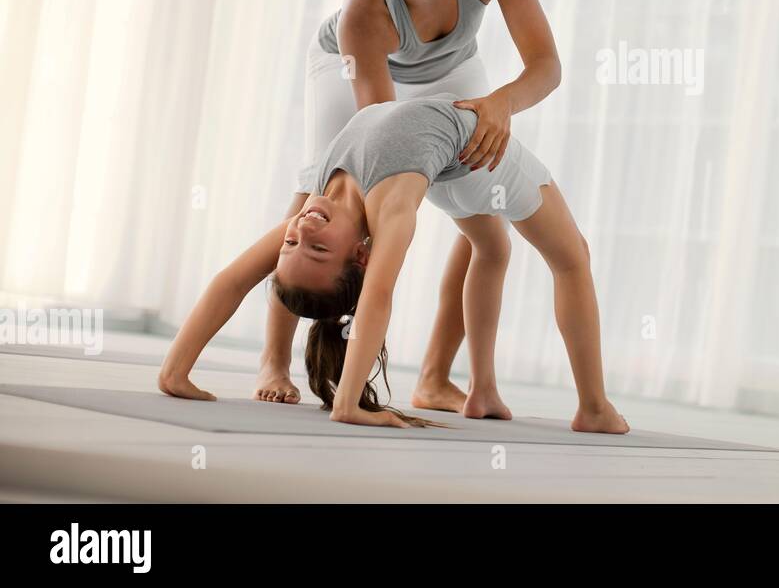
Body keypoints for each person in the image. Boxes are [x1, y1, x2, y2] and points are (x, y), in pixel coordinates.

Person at [257, 0, 561, 412]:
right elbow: (380, 134)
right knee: (319, 197)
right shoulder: (363, 11)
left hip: (452, 67)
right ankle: (275, 357)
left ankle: (442, 378)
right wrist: (384, 226)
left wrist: (499, 103)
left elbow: (546, 67)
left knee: (487, 228)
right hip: (353, 67)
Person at [159, 92, 629, 433]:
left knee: (491, 248)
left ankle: (482, 391)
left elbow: (233, 278)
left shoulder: (318, 198)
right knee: (572, 258)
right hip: (479, 156)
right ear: (362, 254)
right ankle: (594, 407)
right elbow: (377, 296)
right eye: (318, 248)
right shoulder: (392, 209)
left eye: (292, 245)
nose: (302, 230)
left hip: (445, 165)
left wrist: (175, 370)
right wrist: (347, 401)